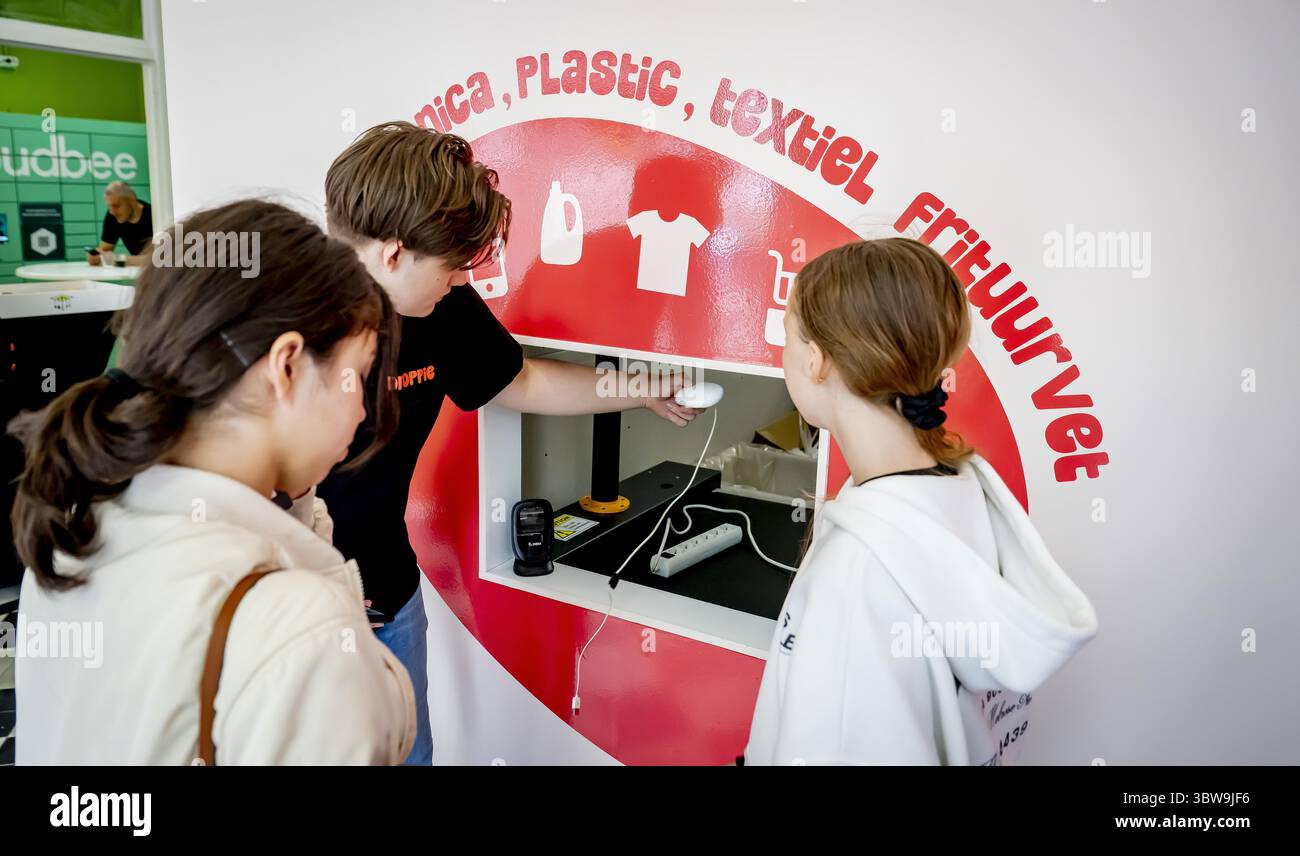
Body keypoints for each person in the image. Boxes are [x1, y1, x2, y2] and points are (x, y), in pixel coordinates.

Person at [317, 122, 704, 765]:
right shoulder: (274, 318)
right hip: (291, 607)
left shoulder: (440, 308)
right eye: (451, 267)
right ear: (391, 255)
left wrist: (637, 386)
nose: (463, 281)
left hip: (389, 592)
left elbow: (522, 380)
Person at [11, 199, 416, 764]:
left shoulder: (73, 530)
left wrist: (294, 502)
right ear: (288, 366)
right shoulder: (298, 629)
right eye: (361, 373)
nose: (362, 410)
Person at [745, 238, 1098, 765]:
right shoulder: (956, 492)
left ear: (817, 361)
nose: (785, 351)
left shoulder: (857, 573)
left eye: (789, 336)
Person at [88, 181, 153, 266]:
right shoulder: (112, 217)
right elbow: (104, 250)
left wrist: (118, 258)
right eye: (109, 206)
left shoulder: (153, 215)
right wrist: (95, 256)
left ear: (132, 201)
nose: (112, 212)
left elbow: (160, 258)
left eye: (116, 206)